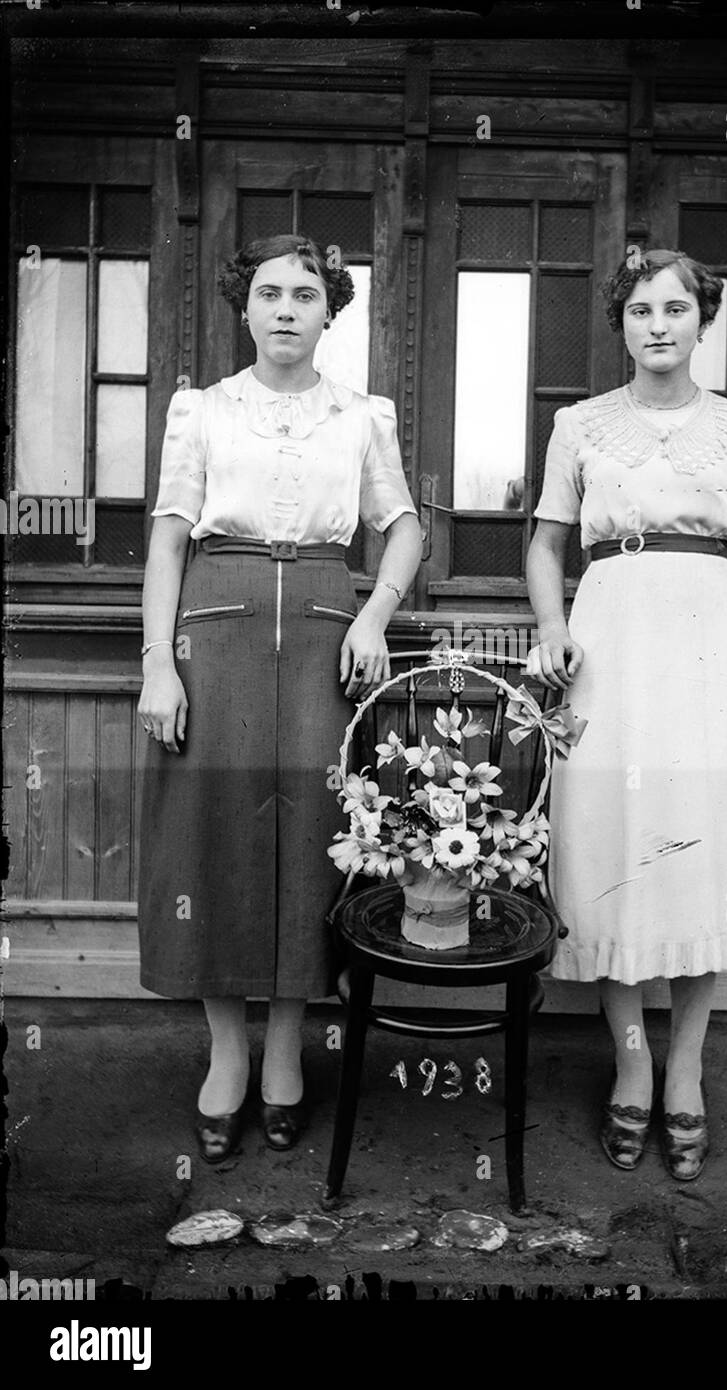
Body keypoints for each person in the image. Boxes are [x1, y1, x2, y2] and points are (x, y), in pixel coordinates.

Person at [137, 234, 421, 1162]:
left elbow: (404, 528)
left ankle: (289, 1050)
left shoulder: (361, 415)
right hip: (214, 625)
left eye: (306, 293)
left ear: (329, 309)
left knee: (312, 835)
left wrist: (374, 614)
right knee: (214, 830)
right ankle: (226, 1054)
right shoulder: (204, 412)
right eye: (269, 293)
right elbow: (170, 542)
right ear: (244, 307)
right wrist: (157, 663)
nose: (287, 309)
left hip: (325, 634)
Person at [526, 247, 727, 1180]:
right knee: (616, 847)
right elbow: (547, 545)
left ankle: (687, 1071)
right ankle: (631, 1063)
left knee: (697, 846)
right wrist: (552, 628)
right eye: (640, 310)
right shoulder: (581, 425)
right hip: (610, 643)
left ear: (702, 320)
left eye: (676, 309)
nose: (659, 324)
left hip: (706, 642)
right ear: (621, 323)